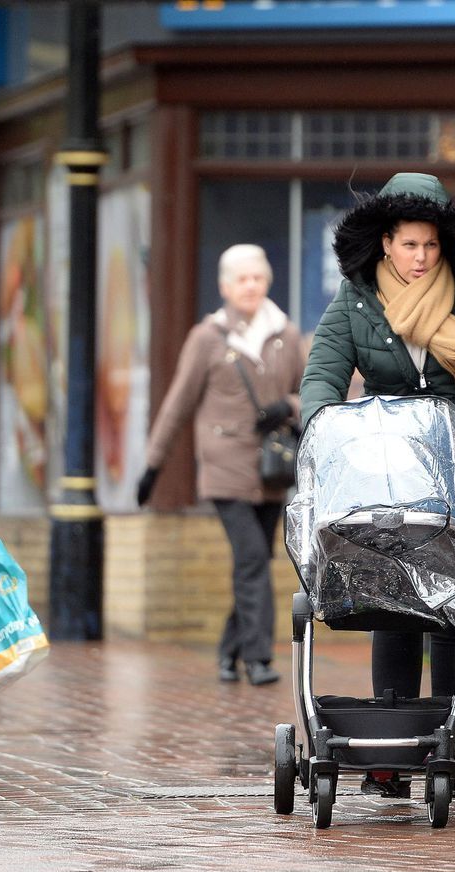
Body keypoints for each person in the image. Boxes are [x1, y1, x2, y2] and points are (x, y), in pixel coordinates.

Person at [298, 172, 455, 795]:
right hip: (385, 476)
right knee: (390, 606)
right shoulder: (354, 301)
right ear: (385, 243)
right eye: (409, 245)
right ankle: (388, 754)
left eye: (431, 245)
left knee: (453, 608)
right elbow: (323, 375)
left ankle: (447, 745)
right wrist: (323, 437)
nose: (421, 258)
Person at [138, 244, 304, 687]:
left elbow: (313, 390)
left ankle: (228, 651)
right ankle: (259, 658)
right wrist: (153, 467)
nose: (250, 286)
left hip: (272, 472)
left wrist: (288, 405)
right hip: (224, 470)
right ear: (225, 286)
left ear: (266, 281)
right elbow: (178, 403)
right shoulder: (207, 337)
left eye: (257, 278)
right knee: (252, 558)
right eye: (241, 279)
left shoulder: (286, 333)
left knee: (253, 562)